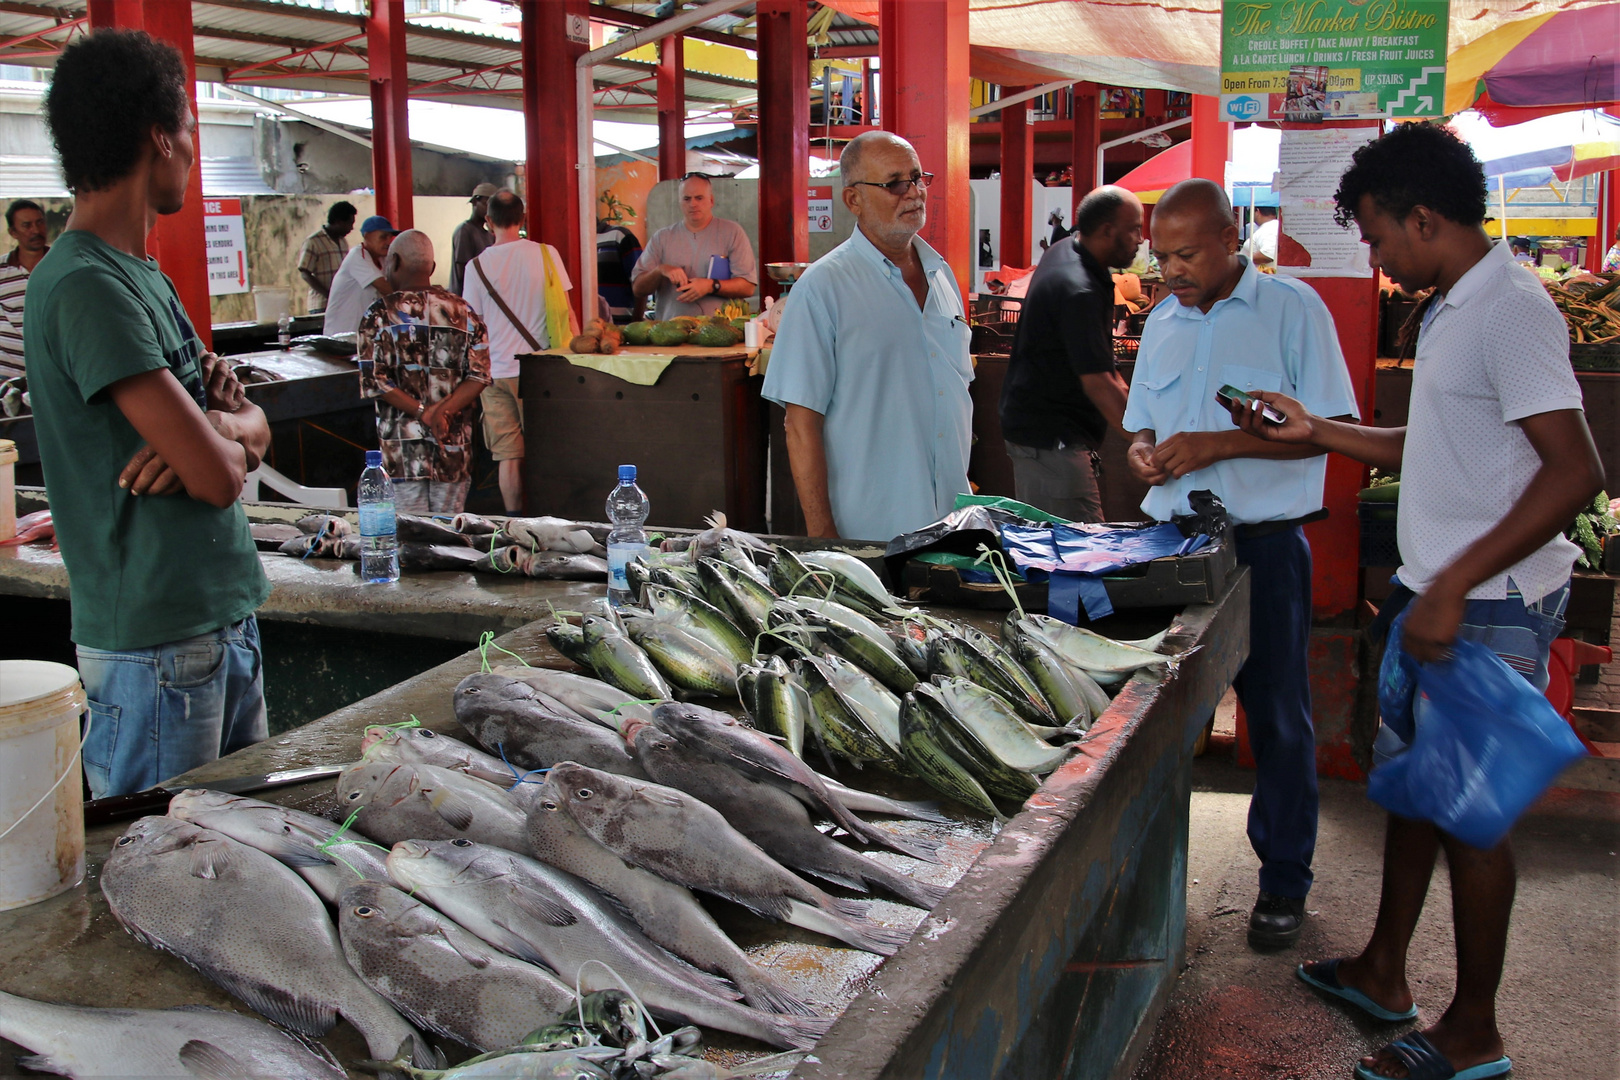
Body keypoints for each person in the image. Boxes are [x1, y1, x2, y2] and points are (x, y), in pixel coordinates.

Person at [1231, 122, 1603, 1080]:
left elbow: (1575, 473)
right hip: (1433, 592)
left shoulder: (1510, 310)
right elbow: (1426, 448)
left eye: (1377, 235)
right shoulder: (1450, 307)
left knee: (1473, 820)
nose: (1376, 254)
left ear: (1424, 218)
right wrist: (1320, 429)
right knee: (1413, 793)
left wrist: (1454, 587)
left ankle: (1474, 1034)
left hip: (1486, 602)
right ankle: (1384, 970)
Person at [27, 28, 272, 798]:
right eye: (192, 132)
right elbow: (217, 477)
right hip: (154, 648)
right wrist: (221, 444)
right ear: (159, 138)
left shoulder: (143, 276)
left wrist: (223, 432)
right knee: (167, 881)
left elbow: (246, 430)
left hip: (219, 619)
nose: (196, 153)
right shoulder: (83, 286)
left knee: (235, 876)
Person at [1122, 178, 1359, 948]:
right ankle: (1143, 879)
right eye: (1161, 256)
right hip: (1169, 543)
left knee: (1279, 719)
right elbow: (1140, 427)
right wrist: (1143, 454)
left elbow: (1334, 428)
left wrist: (1221, 444)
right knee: (1150, 718)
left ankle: (1283, 884)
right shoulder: (1161, 320)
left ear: (1233, 236)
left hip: (1261, 547)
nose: (1171, 271)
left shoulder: (1294, 312)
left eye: (1187, 253)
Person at [762, 131, 972, 541]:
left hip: (951, 522)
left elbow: (952, 394)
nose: (913, 193)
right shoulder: (823, 287)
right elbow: (800, 426)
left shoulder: (941, 274)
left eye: (918, 178)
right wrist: (825, 539)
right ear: (853, 200)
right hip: (871, 532)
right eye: (894, 183)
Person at [999, 185, 1142, 522]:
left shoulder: (1066, 248)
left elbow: (1102, 367)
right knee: (1077, 552)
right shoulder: (1080, 289)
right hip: (1050, 442)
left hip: (1042, 432)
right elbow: (1100, 383)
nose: (1140, 239)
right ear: (1107, 231)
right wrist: (1147, 442)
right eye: (1134, 229)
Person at [357, 229, 491, 515]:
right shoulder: (464, 312)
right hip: (453, 450)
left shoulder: (377, 316)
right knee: (449, 539)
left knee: (410, 537)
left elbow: (376, 381)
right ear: (431, 267)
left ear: (393, 261)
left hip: (401, 453)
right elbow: (479, 376)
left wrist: (423, 412)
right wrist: (442, 411)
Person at [462, 190, 572, 514]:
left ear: (488, 222)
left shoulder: (475, 267)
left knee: (508, 456)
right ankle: (551, 517)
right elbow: (565, 312)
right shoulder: (547, 254)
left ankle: (514, 521)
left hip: (496, 372)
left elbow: (475, 325)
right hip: (541, 372)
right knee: (547, 449)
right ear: (522, 219)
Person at [632, 174, 757, 318]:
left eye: (699, 198)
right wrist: (660, 270)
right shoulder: (662, 238)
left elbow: (748, 287)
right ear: (679, 202)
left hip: (722, 333)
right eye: (687, 199)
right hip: (671, 334)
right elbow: (638, 289)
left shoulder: (732, 232)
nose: (693, 204)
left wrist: (711, 286)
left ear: (711, 200)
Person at [0, 198, 50, 378]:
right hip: (6, 374)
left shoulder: (62, 265)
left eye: (40, 223)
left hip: (50, 374)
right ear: (13, 232)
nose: (36, 230)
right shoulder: (2, 270)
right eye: (27, 225)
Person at [322, 214, 396, 336]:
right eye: (383, 237)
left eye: (390, 237)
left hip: (361, 333)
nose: (388, 242)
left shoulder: (382, 259)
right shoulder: (357, 256)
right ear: (367, 236)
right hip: (341, 334)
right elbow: (386, 288)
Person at [296, 200, 356, 312]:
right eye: (349, 223)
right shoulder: (313, 241)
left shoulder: (343, 242)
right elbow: (305, 273)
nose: (351, 228)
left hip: (341, 302)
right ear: (338, 221)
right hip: (321, 305)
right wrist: (328, 294)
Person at [448, 182, 497, 295]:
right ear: (475, 201)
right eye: (486, 204)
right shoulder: (464, 231)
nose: (490, 210)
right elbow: (463, 273)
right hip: (466, 301)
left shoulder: (489, 235)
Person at [596, 216, 643, 322]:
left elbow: (641, 280)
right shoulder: (575, 242)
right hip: (590, 328)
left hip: (622, 326)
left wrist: (637, 320)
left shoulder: (619, 235)